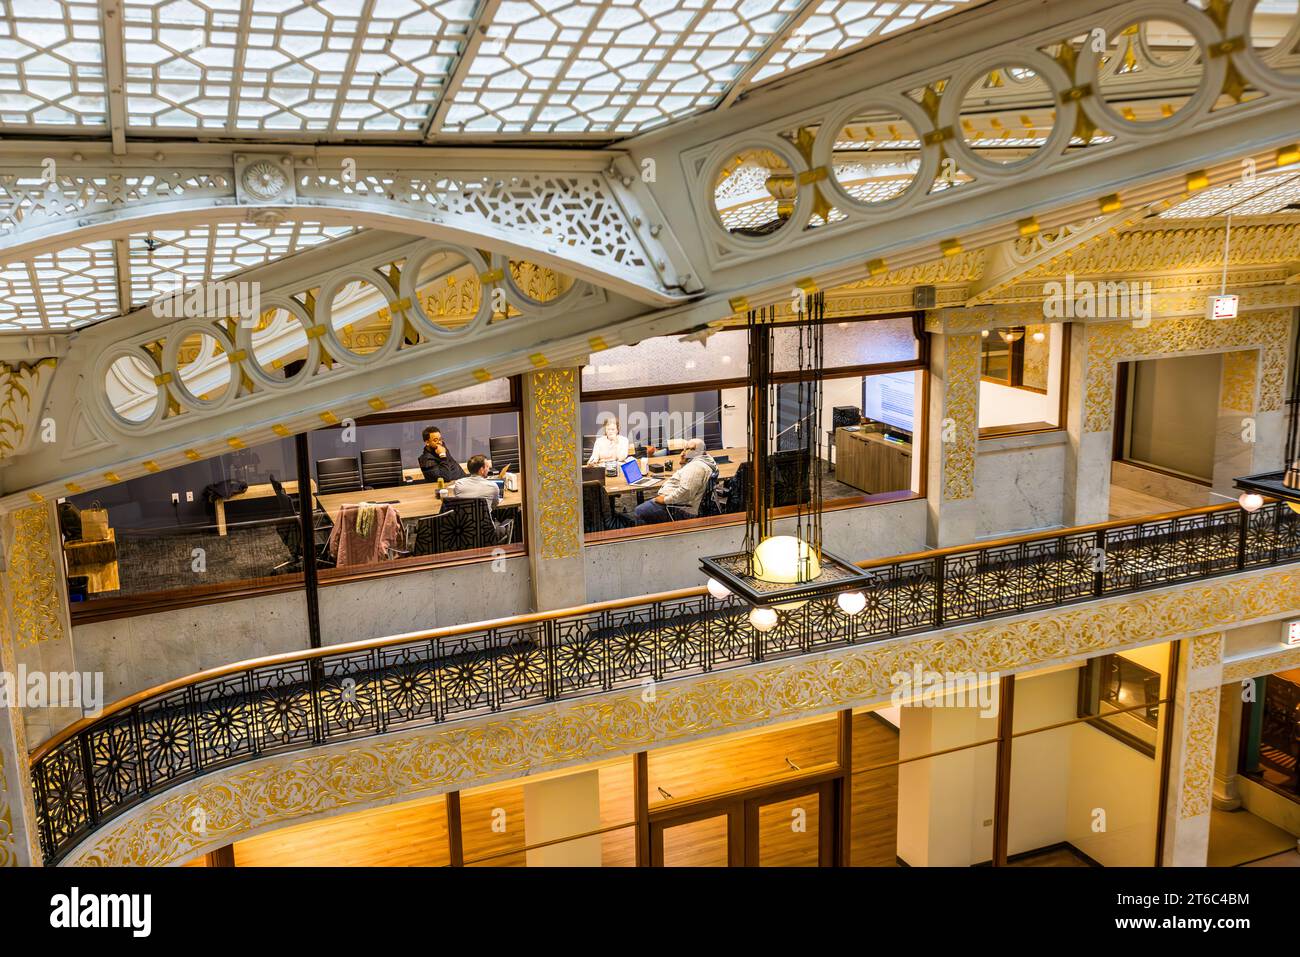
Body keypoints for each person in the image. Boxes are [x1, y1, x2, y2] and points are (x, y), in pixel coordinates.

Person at [634, 438, 717, 525]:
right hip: (683, 503)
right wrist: (684, 463)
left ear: (697, 452)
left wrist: (665, 500)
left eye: (688, 449)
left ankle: (647, 537)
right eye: (684, 449)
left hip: (679, 509)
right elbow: (690, 482)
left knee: (639, 511)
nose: (683, 453)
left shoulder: (695, 468)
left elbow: (686, 491)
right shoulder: (706, 461)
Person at [453, 454, 511, 542]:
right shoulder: (492, 486)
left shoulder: (458, 484)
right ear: (482, 470)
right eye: (487, 467)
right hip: (488, 533)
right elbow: (495, 505)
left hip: (464, 532)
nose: (489, 469)